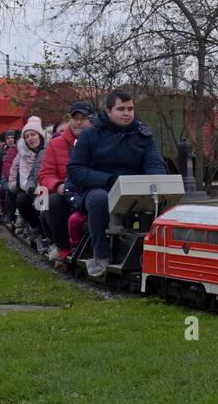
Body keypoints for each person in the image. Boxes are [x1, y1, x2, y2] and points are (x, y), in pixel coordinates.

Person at [67, 90, 165, 277]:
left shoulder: (143, 136)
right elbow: (76, 169)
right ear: (108, 111)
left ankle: (154, 252)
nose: (127, 113)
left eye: (130, 109)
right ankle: (100, 256)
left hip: (135, 190)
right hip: (100, 188)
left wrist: (153, 182)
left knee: (160, 198)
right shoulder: (90, 135)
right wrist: (109, 180)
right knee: (99, 199)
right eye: (121, 109)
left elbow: (155, 165)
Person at [38, 100, 95, 263]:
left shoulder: (97, 141)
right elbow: (43, 174)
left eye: (83, 118)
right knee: (47, 202)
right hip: (57, 190)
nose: (78, 122)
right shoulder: (55, 144)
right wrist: (58, 185)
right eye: (75, 118)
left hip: (87, 190)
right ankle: (60, 245)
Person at [9, 117, 45, 234]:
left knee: (43, 198)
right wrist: (33, 188)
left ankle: (46, 235)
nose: (30, 138)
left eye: (33, 135)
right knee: (22, 199)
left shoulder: (48, 150)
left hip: (47, 187)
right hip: (32, 188)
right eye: (27, 136)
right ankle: (35, 228)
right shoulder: (24, 156)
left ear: (39, 135)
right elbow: (24, 178)